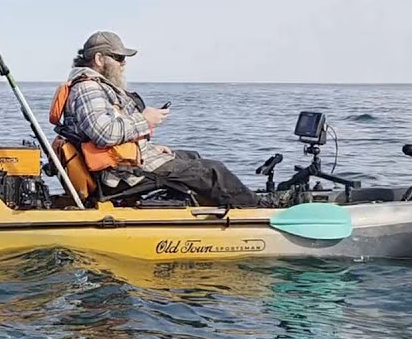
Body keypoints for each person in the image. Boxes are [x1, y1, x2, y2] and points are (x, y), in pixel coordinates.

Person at [53, 30, 262, 207]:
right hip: (120, 175)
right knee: (212, 171)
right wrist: (144, 120)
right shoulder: (88, 88)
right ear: (99, 59)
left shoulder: (95, 86)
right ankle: (257, 211)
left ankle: (200, 209)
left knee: (192, 156)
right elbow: (104, 133)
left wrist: (148, 148)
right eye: (118, 58)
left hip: (122, 165)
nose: (123, 64)